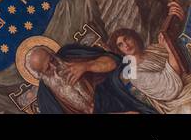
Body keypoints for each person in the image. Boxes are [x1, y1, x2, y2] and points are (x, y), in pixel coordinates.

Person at [25, 42, 155, 113]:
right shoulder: (45, 99)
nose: (54, 67)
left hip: (114, 99)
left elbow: (113, 61)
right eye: (47, 68)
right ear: (40, 74)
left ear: (53, 53)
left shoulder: (69, 53)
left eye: (52, 59)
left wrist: (87, 66)